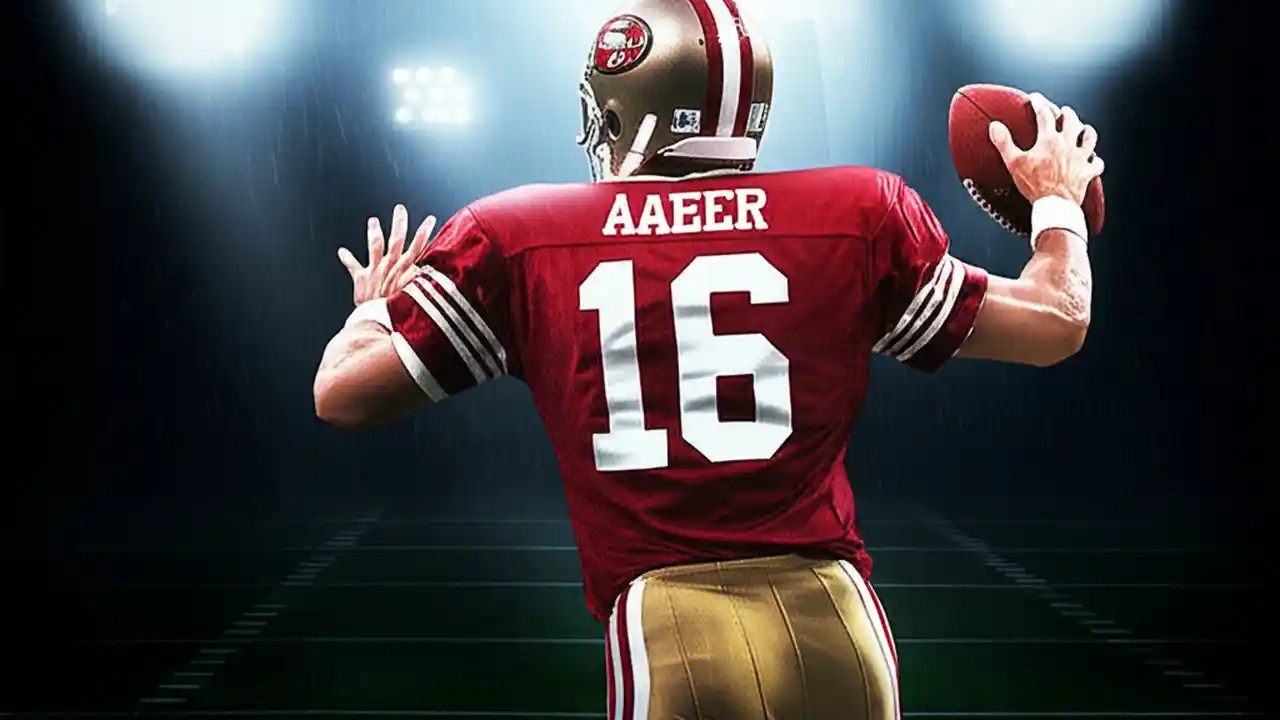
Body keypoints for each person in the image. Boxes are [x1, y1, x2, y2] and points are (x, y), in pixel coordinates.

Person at [313, 1, 1104, 717]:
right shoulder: (858, 213)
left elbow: (341, 395)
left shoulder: (522, 236)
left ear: (621, 112)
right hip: (838, 619)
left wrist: (375, 308)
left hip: (669, 622)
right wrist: (1056, 200)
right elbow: (1056, 322)